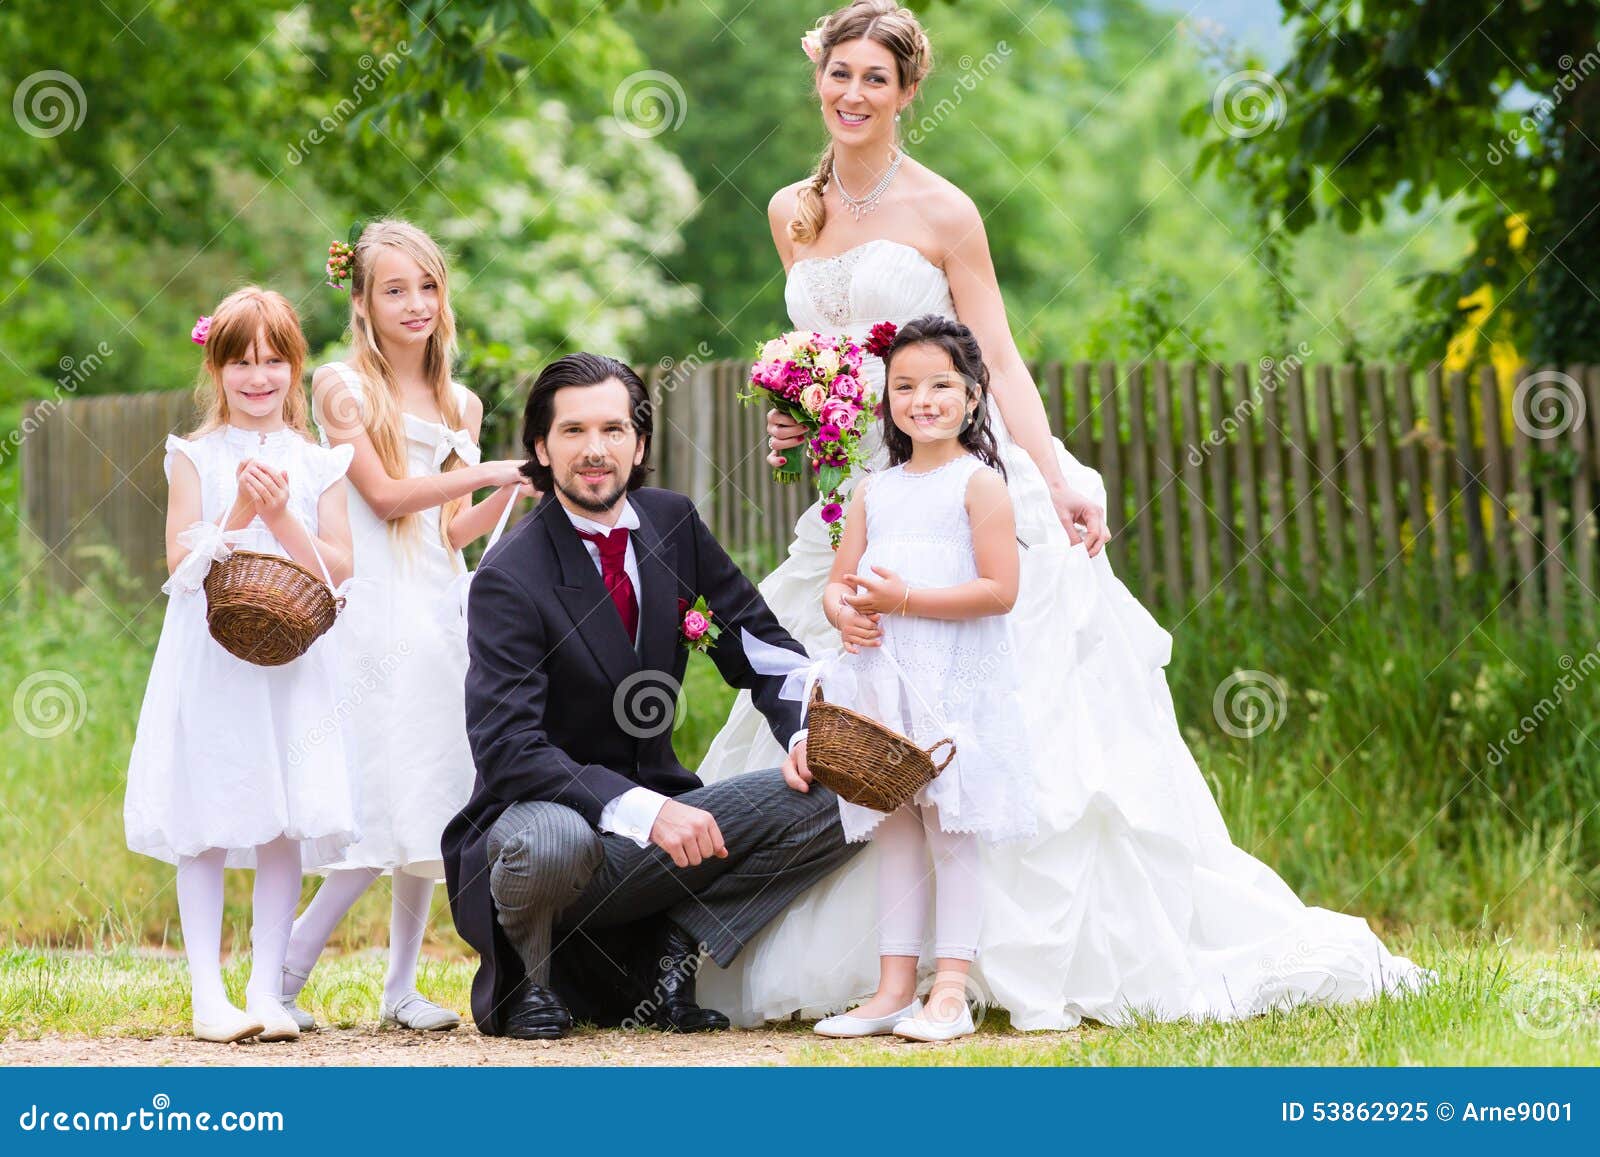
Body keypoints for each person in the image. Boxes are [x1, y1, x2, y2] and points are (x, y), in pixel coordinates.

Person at [693, 0, 1433, 1030]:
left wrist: (1058, 471)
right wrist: (796, 422)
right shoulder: (791, 212)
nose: (852, 94)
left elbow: (990, 357)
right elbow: (822, 359)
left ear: (908, 94)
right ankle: (879, 970)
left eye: (876, 78)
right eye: (840, 74)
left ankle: (969, 968)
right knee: (849, 707)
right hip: (851, 494)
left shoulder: (945, 212)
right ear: (817, 79)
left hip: (950, 477)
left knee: (960, 722)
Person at [441, 352, 863, 1039]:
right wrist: (644, 809)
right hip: (549, 832)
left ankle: (673, 946)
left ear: (640, 443)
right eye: (573, 431)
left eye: (613, 428)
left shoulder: (671, 522)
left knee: (846, 793)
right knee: (551, 837)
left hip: (658, 833)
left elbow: (759, 646)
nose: (595, 450)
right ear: (541, 449)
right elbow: (509, 750)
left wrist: (805, 732)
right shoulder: (508, 576)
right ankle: (531, 981)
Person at [279, 219, 532, 1032]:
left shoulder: (460, 399)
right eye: (395, 289)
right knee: (373, 792)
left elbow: (447, 528)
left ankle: (401, 984)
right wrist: (486, 466)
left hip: (437, 604)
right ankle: (285, 971)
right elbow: (386, 499)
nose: (415, 304)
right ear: (363, 301)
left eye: (427, 286)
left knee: (431, 786)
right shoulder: (341, 385)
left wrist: (505, 492)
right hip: (373, 610)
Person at [123, 287, 359, 1043]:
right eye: (241, 362)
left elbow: (340, 575)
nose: (258, 378)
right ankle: (206, 991)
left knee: (281, 815)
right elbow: (177, 563)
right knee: (209, 813)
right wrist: (237, 516)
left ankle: (265, 988)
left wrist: (282, 513)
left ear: (294, 366)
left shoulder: (318, 463)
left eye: (273, 361)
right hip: (210, 655)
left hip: (289, 660)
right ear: (216, 368)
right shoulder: (193, 455)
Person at [808, 315, 1036, 1043]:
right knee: (894, 824)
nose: (922, 399)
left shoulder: (979, 485)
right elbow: (839, 583)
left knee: (949, 824)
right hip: (888, 679)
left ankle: (950, 989)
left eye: (941, 384)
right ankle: (892, 987)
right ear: (887, 401)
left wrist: (906, 599)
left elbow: (1000, 590)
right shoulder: (872, 489)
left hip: (954, 680)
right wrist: (846, 614)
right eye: (904, 386)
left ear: (973, 397)